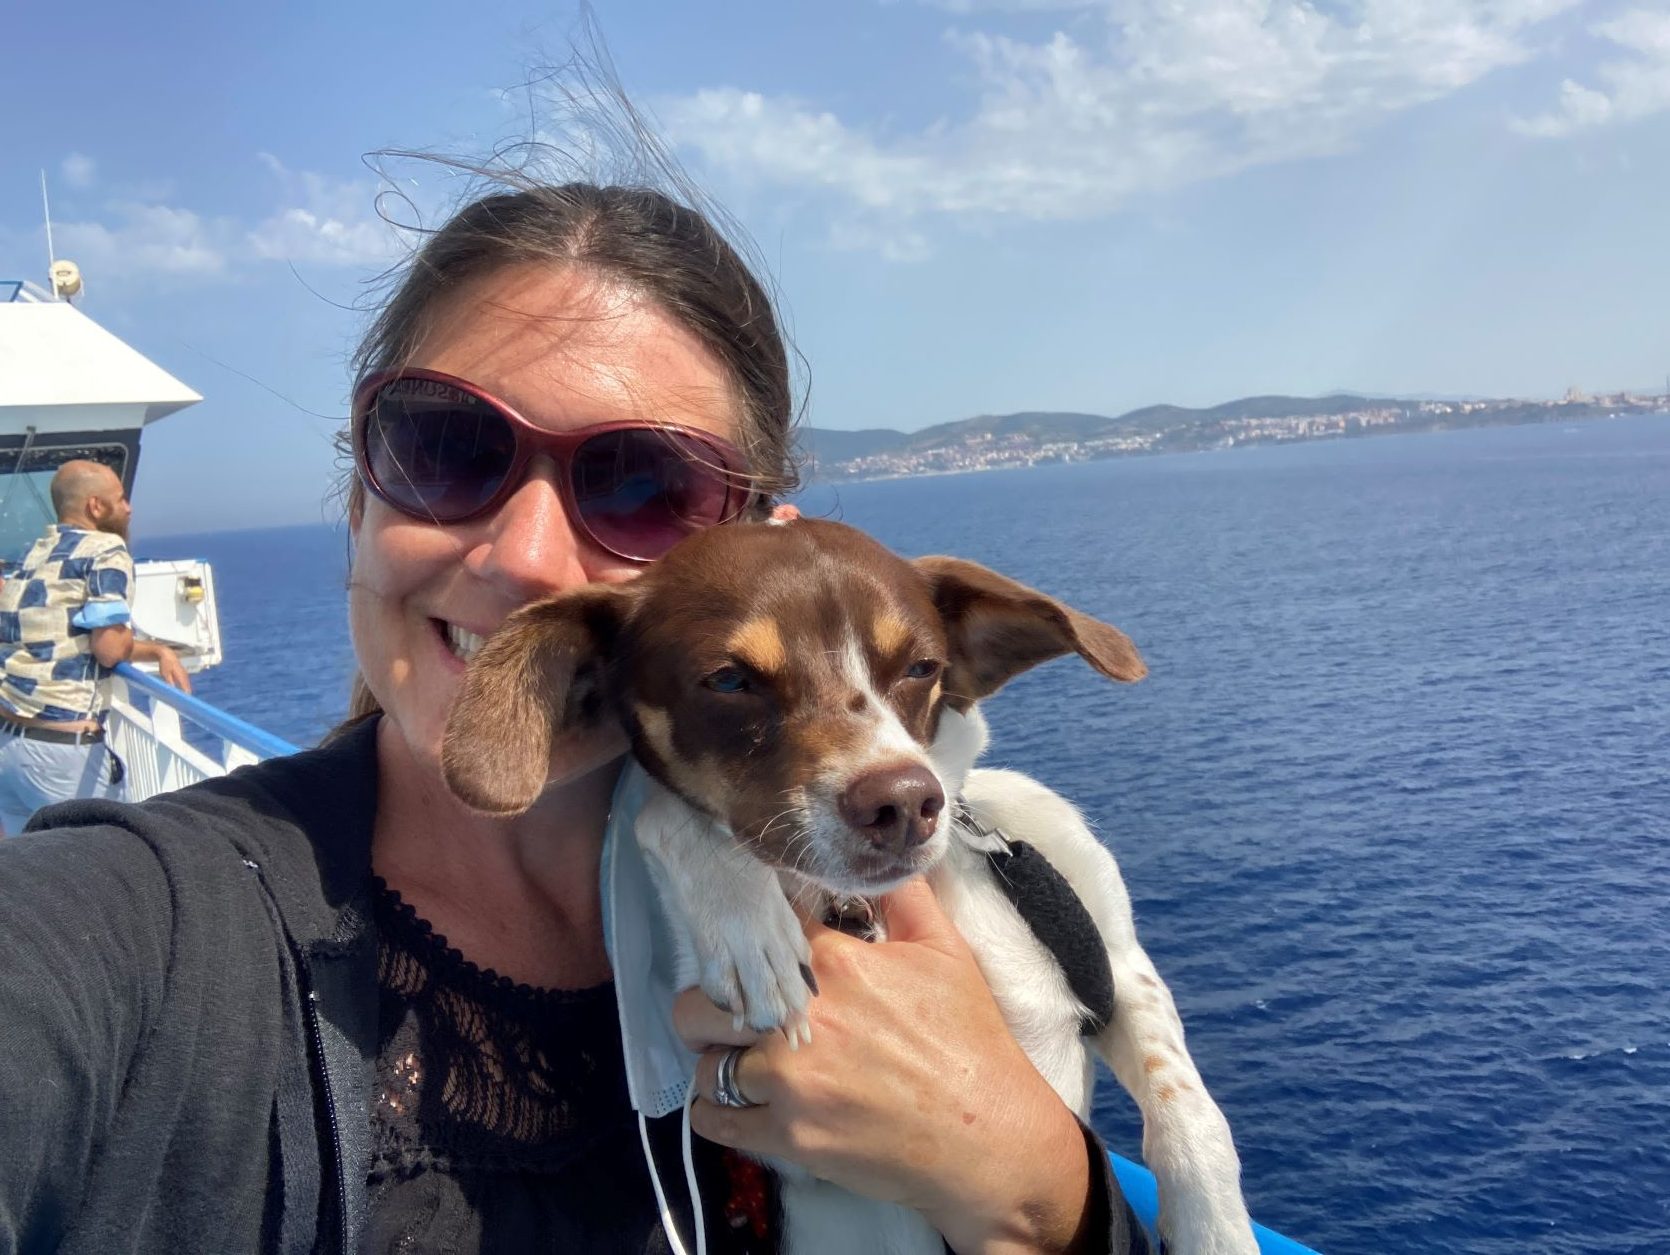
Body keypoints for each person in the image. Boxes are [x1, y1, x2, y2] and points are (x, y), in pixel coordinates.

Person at [0, 182, 1151, 1254]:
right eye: (445, 449)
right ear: (358, 497)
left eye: (645, 483)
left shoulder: (893, 922)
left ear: (775, 551)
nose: (527, 560)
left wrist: (1043, 1184)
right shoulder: (132, 931)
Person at [0, 459, 190, 836]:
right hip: (62, 752)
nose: (129, 507)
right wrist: (155, 648)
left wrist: (155, 651)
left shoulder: (35, 554)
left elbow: (71, 634)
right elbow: (108, 649)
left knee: (32, 876)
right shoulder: (107, 550)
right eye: (121, 499)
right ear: (95, 507)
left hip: (9, 744)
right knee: (111, 872)